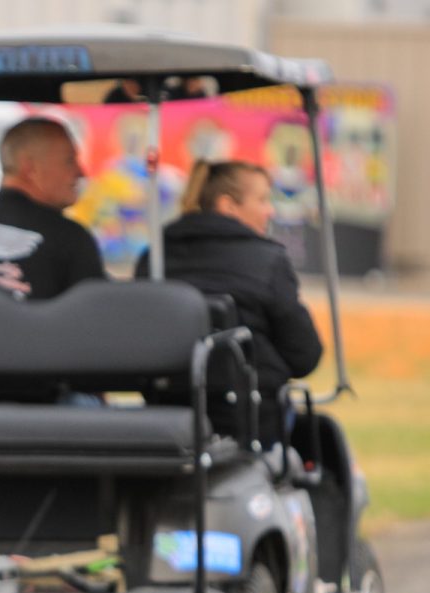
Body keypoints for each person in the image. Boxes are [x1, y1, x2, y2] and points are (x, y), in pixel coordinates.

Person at [138, 160, 324, 447]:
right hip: (252, 426)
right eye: (262, 200)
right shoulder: (268, 261)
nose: (270, 210)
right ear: (228, 206)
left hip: (165, 418)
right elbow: (305, 355)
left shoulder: (153, 259)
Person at [0, 117, 105, 300]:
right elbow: (96, 319)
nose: (81, 172)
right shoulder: (69, 238)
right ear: (30, 168)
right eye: (69, 161)